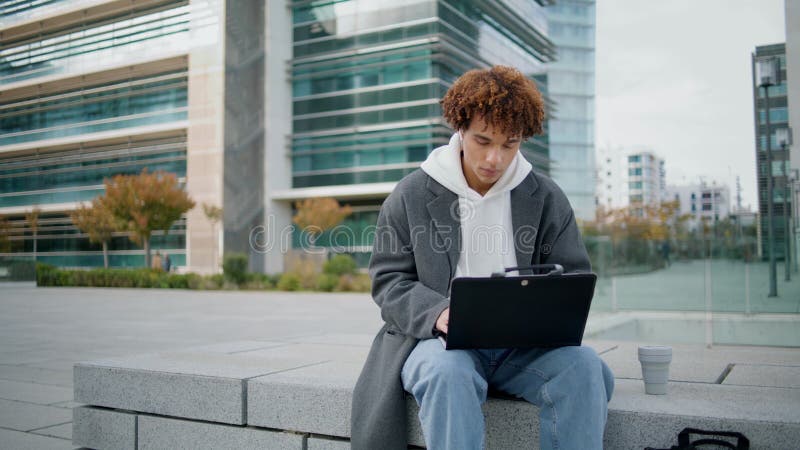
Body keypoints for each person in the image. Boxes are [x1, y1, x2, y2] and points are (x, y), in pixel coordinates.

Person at [351, 66, 614, 450]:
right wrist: (438, 313)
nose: (495, 158)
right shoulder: (411, 194)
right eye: (483, 140)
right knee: (448, 373)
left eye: (510, 144)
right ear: (460, 129)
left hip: (522, 348)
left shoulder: (545, 196)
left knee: (585, 367)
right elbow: (389, 282)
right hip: (441, 346)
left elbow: (573, 274)